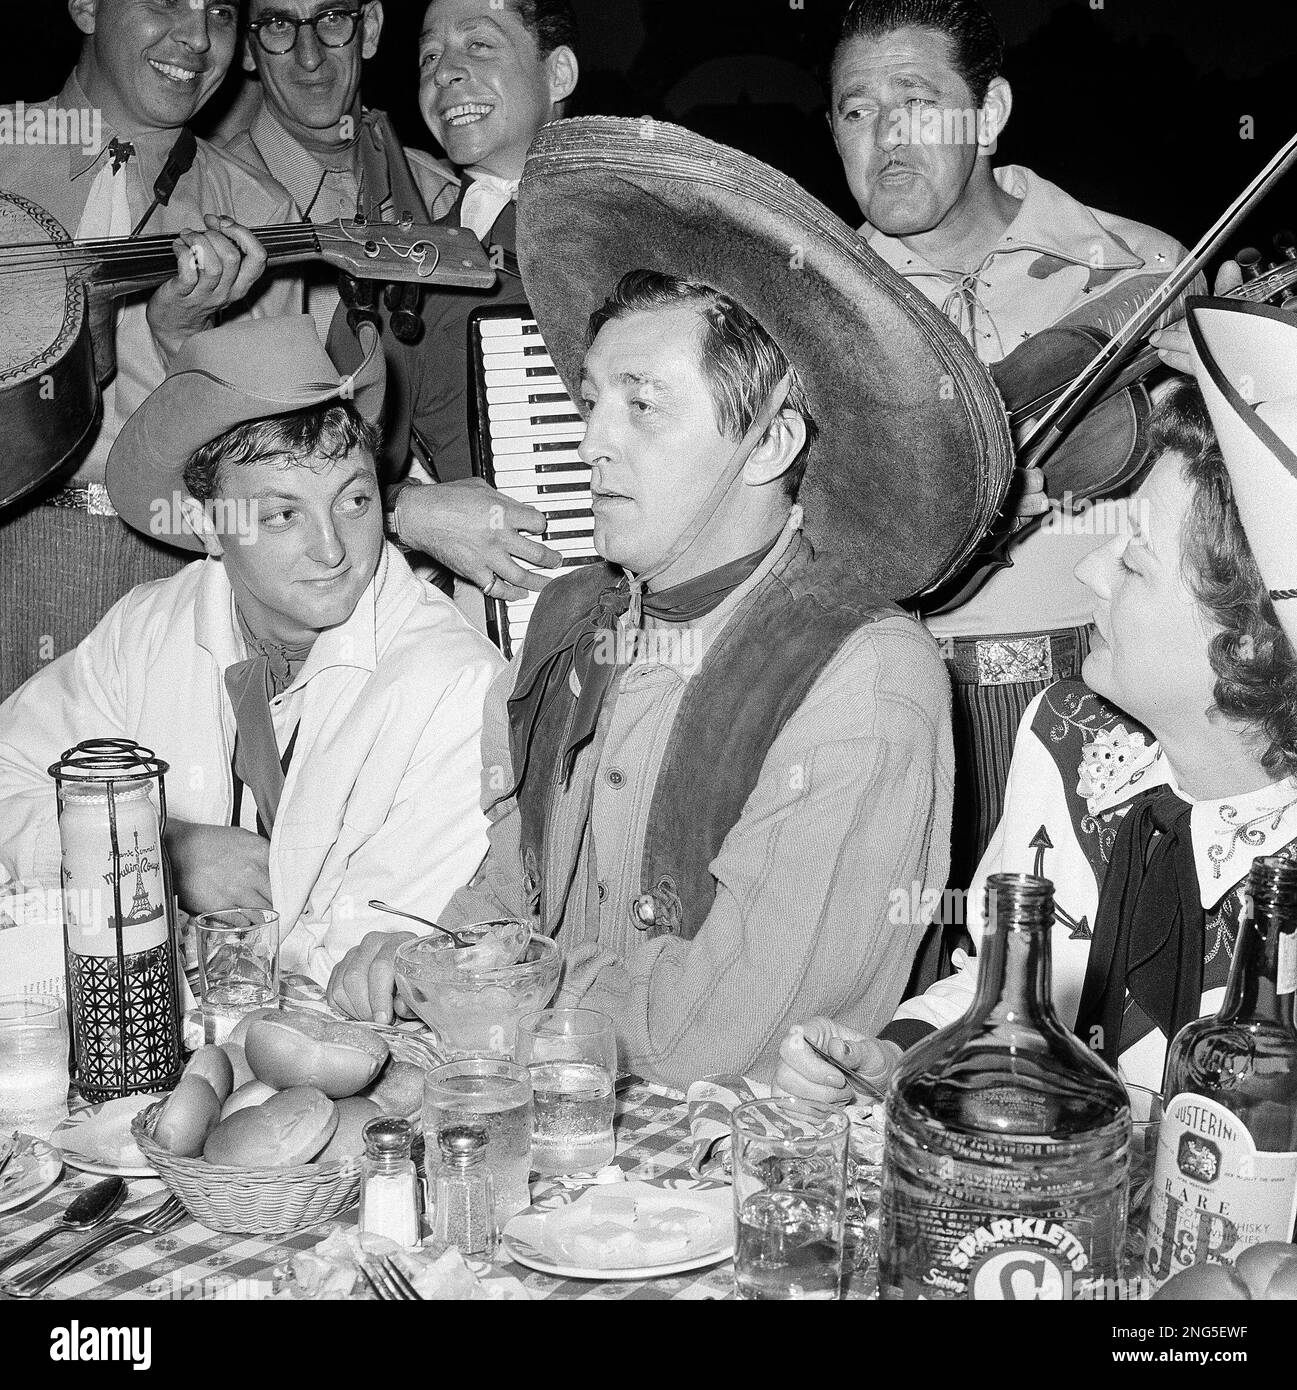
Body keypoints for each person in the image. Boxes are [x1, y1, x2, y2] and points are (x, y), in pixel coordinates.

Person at [324, 116, 1014, 1087]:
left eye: (640, 404)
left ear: (770, 444)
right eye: (590, 401)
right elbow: (505, 888)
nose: (591, 441)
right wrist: (422, 955)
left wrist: (484, 986)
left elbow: (712, 1039)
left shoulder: (861, 677)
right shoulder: (571, 622)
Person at [775, 297, 1297, 1100]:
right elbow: (998, 982)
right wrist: (894, 1060)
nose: (1088, 575)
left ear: (1253, 641)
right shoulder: (1070, 734)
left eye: (1132, 565)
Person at [826, 0, 1202, 900]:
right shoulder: (812, 303)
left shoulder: (1138, 272)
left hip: (1106, 697)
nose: (882, 135)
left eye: (914, 100)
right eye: (853, 109)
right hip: (881, 699)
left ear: (988, 113)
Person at [0, 317, 503, 986]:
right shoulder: (147, 628)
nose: (331, 550)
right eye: (281, 515)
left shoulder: (458, 686)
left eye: (354, 501)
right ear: (210, 525)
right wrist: (162, 847)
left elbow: (367, 965)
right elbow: (9, 780)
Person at [0, 0, 301, 700]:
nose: (196, 38)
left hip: (174, 567)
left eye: (222, 13)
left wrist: (185, 344)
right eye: (166, 0)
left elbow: (274, 462)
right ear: (83, 7)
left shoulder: (260, 212)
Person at [328, 0, 581, 611]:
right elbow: (321, 479)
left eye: (480, 45)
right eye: (430, 56)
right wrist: (413, 514)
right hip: (489, 625)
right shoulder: (389, 276)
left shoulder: (662, 230)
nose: (444, 72)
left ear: (559, 74)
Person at [223, 0, 459, 345]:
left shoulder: (442, 195)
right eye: (278, 25)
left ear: (371, 29)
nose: (309, 57)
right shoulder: (210, 202)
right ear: (247, 48)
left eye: (332, 18)